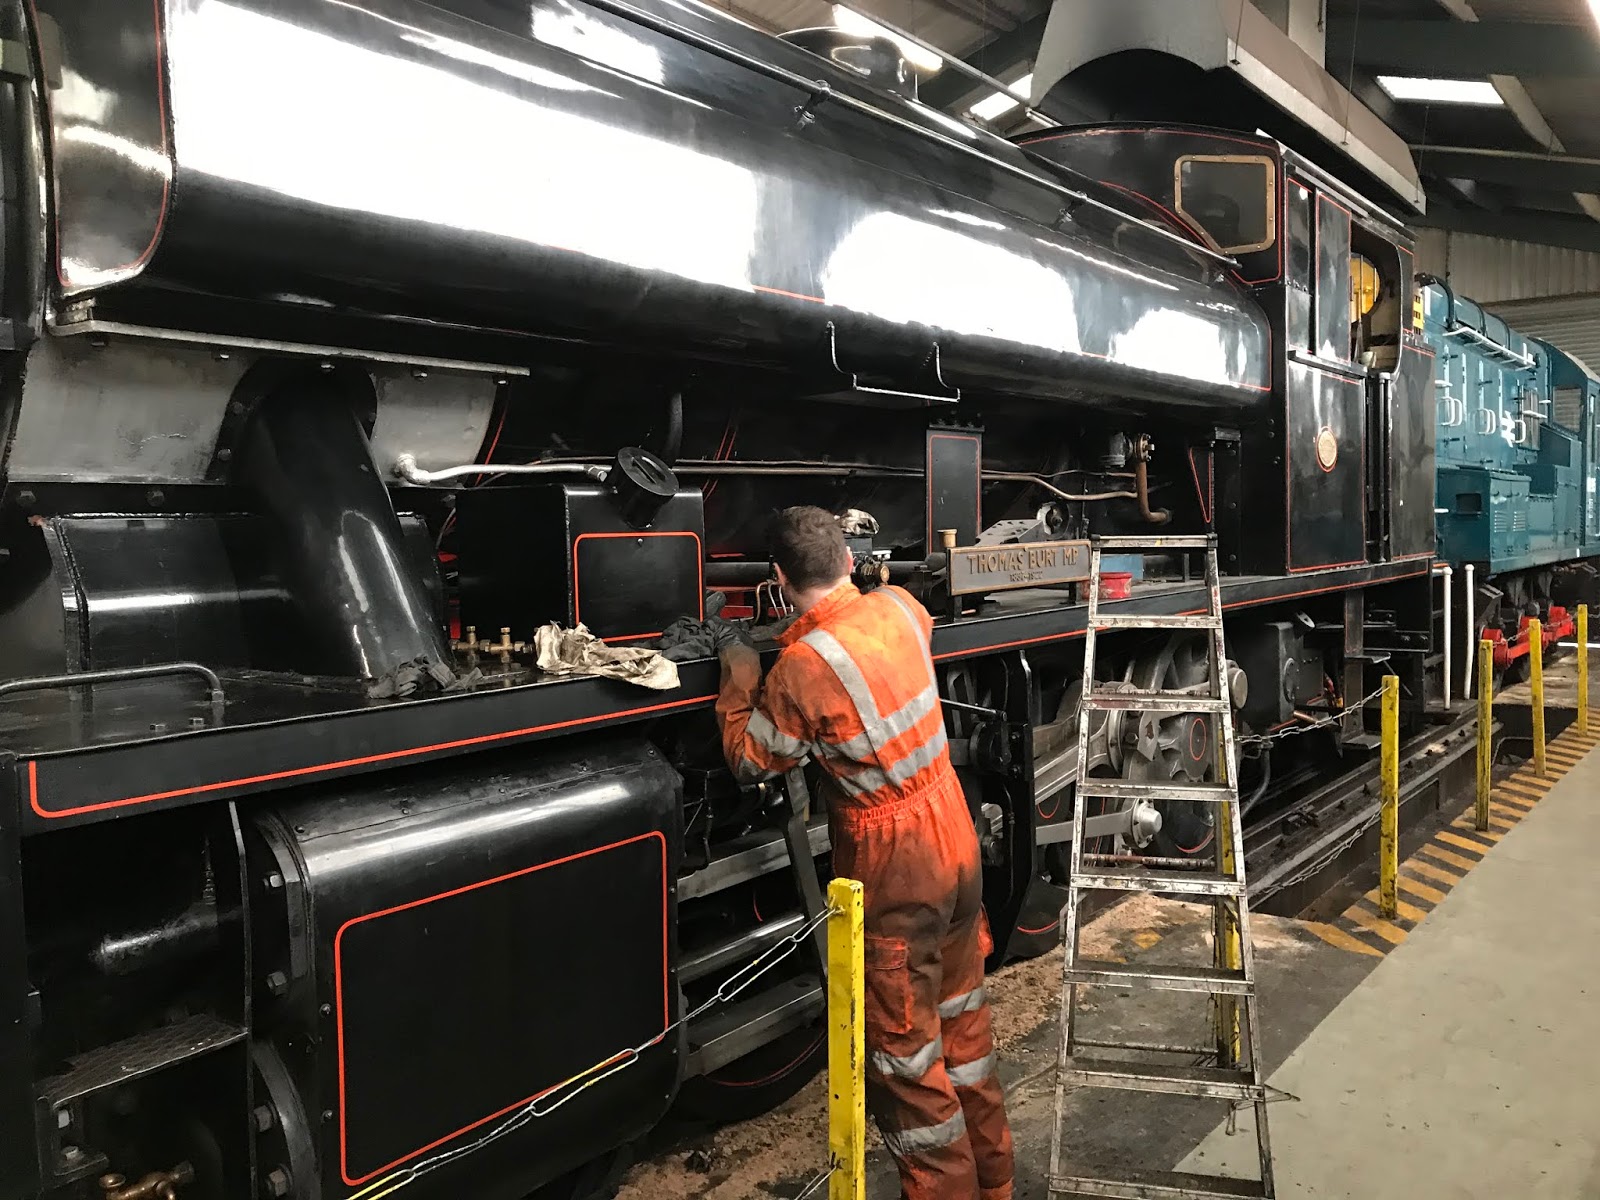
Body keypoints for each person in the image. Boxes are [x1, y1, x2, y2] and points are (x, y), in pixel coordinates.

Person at [715, 506, 1014, 1200]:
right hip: (956, 834)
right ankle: (997, 1188)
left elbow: (753, 761)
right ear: (850, 561)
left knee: (908, 1068)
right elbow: (875, 654)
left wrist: (737, 674)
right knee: (963, 1032)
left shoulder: (798, 671)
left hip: (895, 861)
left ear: (778, 579)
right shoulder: (903, 608)